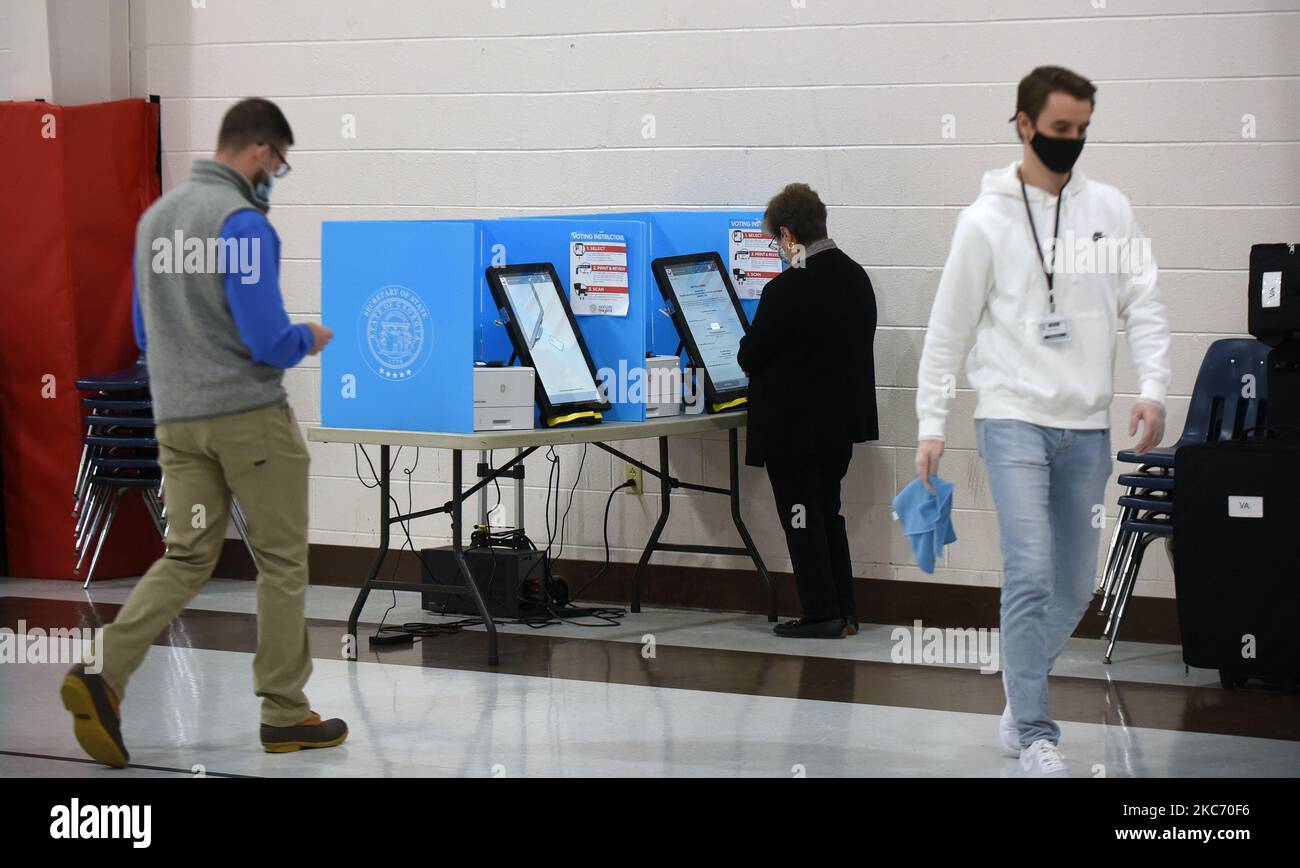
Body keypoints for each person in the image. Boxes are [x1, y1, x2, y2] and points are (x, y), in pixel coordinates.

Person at [61, 98, 344, 768]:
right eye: (277, 162)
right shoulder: (242, 224)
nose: (275, 174)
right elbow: (266, 339)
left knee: (187, 556)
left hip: (176, 423)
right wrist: (310, 336)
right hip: (249, 424)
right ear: (257, 152)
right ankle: (283, 713)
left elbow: (140, 332)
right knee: (280, 560)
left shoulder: (155, 221)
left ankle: (102, 673)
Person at [914, 67, 1171, 776]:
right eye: (1061, 129)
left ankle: (1017, 689)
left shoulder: (1109, 210)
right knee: (1028, 570)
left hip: (1086, 425)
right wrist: (931, 422)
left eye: (1083, 130)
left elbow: (1143, 302)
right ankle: (1035, 731)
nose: (1073, 142)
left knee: (1073, 586)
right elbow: (948, 329)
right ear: (1024, 124)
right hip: (1012, 419)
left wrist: (1151, 388)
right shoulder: (985, 221)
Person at [737, 183, 879, 639]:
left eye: (775, 241)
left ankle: (821, 615)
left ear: (787, 234)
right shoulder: (857, 277)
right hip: (840, 429)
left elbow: (751, 356)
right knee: (826, 514)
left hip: (795, 433)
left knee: (800, 520)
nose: (778, 249)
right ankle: (845, 611)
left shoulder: (786, 289)